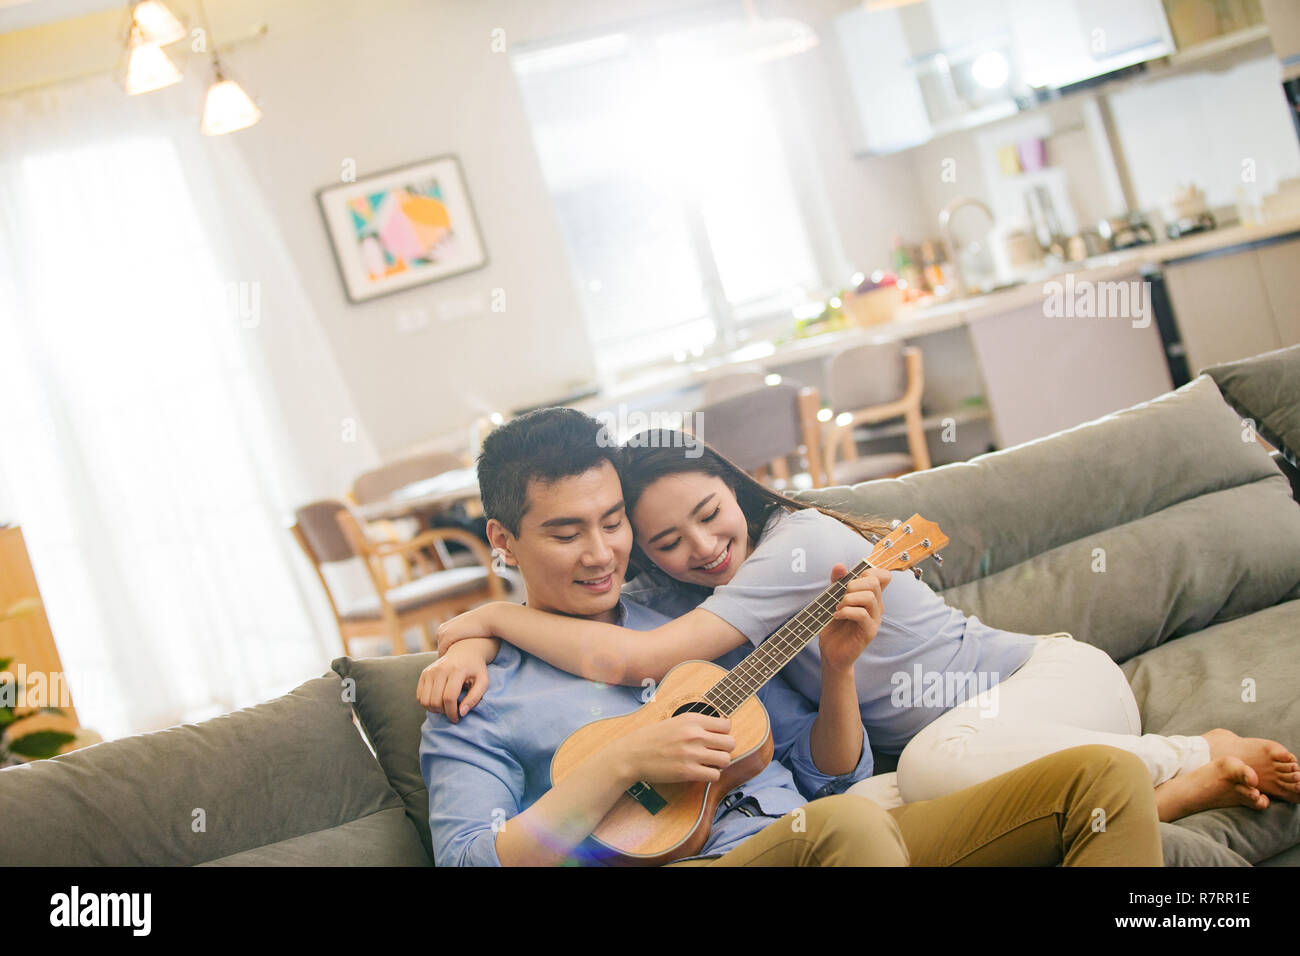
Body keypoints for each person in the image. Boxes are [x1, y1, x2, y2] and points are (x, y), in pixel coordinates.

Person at [429, 419, 1300, 824]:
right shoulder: (687, 596)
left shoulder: (795, 546)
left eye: (708, 512)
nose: (701, 546)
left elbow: (634, 658)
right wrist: (472, 639)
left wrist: (484, 612)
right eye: (665, 539)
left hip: (1046, 686)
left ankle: (1187, 759)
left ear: (733, 487)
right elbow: (604, 631)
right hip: (970, 741)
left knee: (932, 765)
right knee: (898, 797)